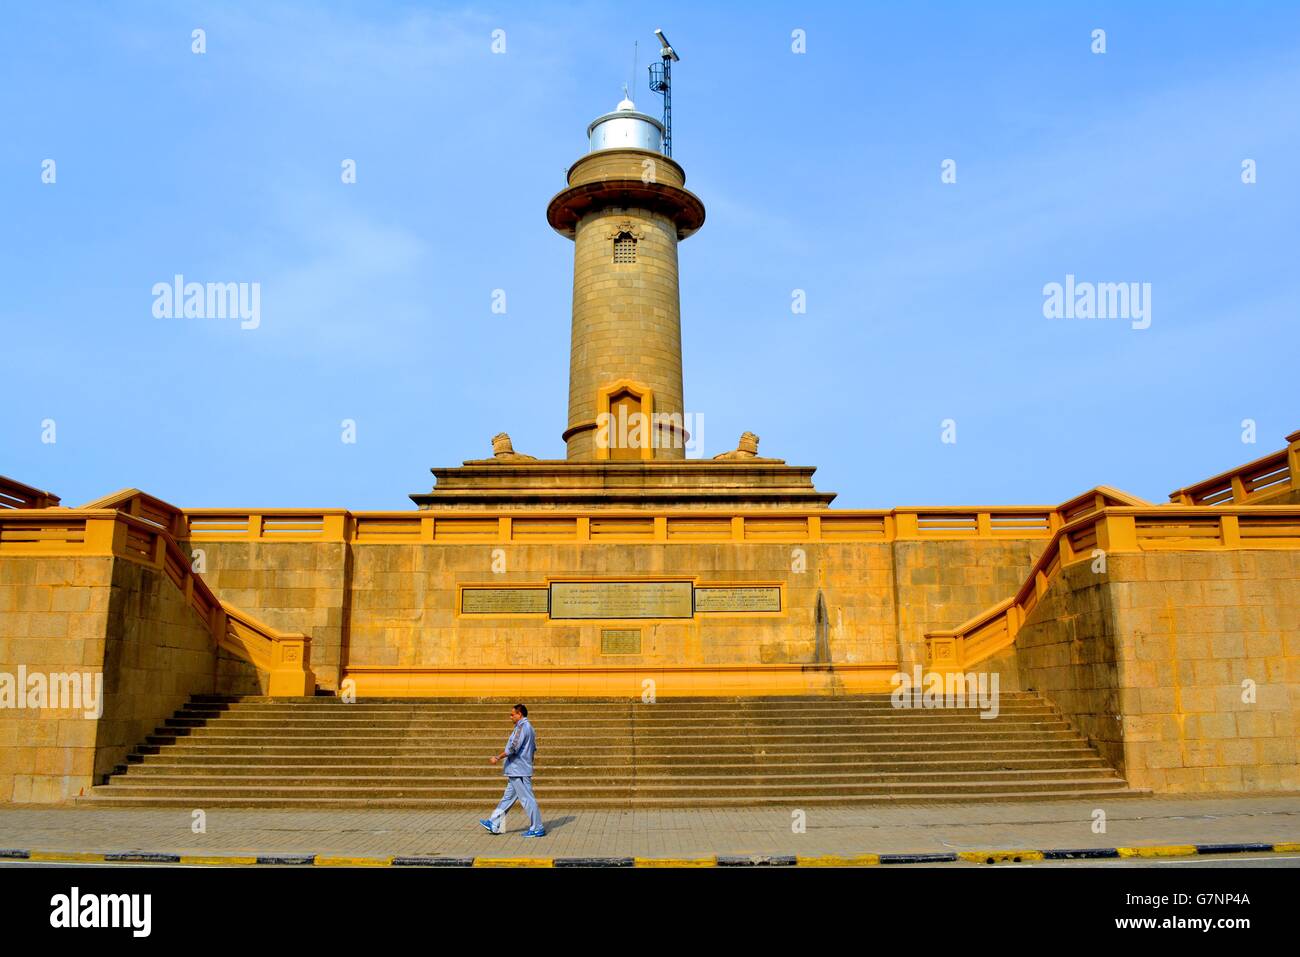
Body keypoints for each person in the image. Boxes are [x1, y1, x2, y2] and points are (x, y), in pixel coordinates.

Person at [479, 703, 544, 837]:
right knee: (507, 798)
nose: (510, 717)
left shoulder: (522, 727)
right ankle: (494, 823)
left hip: (518, 770)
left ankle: (537, 827)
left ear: (520, 714)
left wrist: (497, 757)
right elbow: (533, 749)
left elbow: (513, 748)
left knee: (527, 799)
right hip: (518, 769)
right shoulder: (530, 728)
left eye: (512, 714)